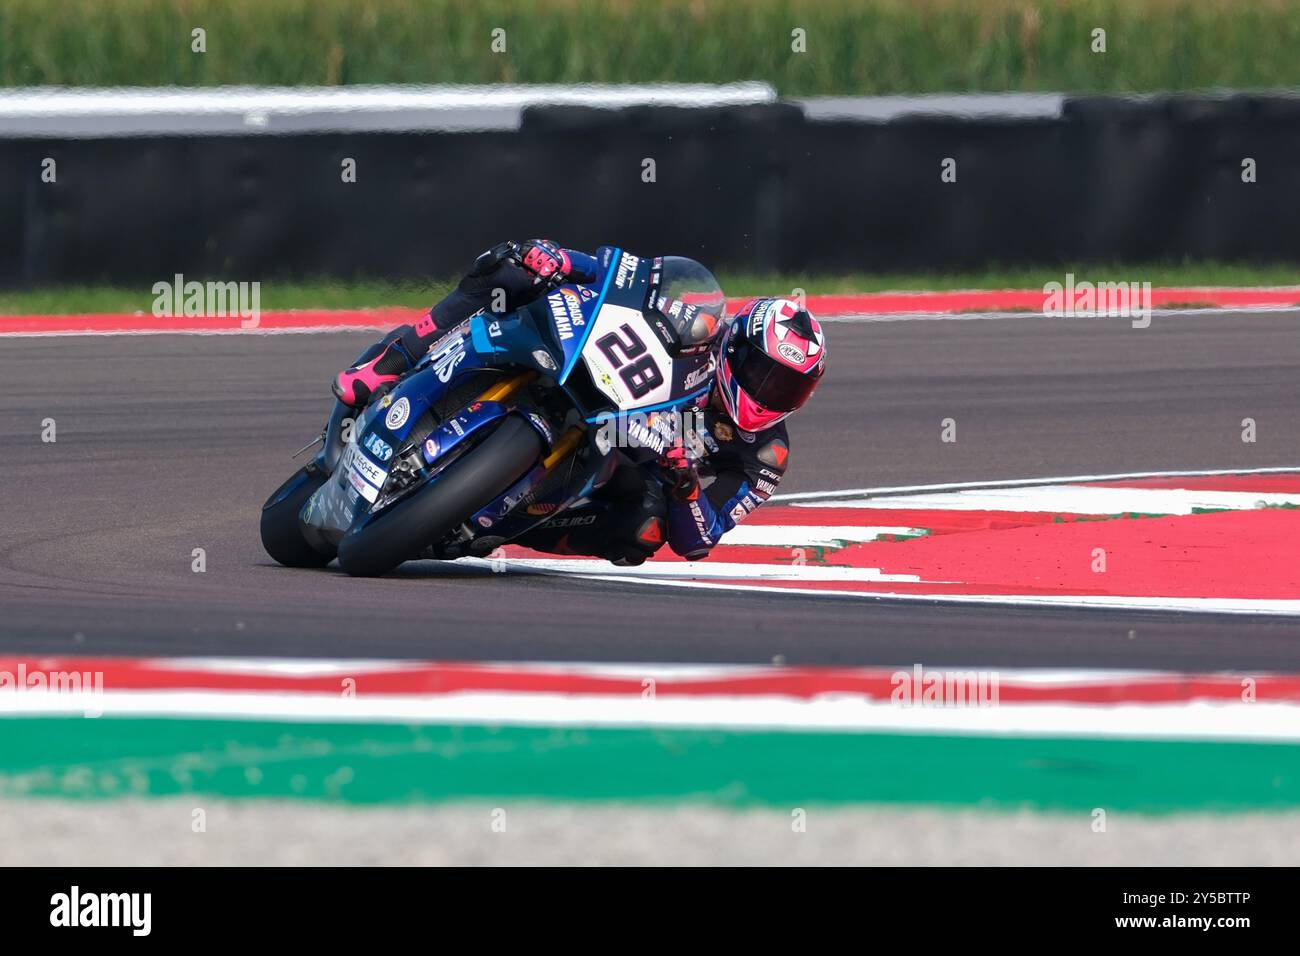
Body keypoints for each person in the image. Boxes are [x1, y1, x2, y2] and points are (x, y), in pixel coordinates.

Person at [333, 239, 827, 565]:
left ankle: (507, 528)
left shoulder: (766, 454)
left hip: (624, 462)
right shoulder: (700, 328)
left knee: (644, 532)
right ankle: (392, 359)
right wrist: (562, 261)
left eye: (790, 387)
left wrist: (685, 486)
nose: (771, 394)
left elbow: (699, 540)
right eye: (766, 375)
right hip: (596, 379)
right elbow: (626, 277)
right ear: (736, 349)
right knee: (510, 273)